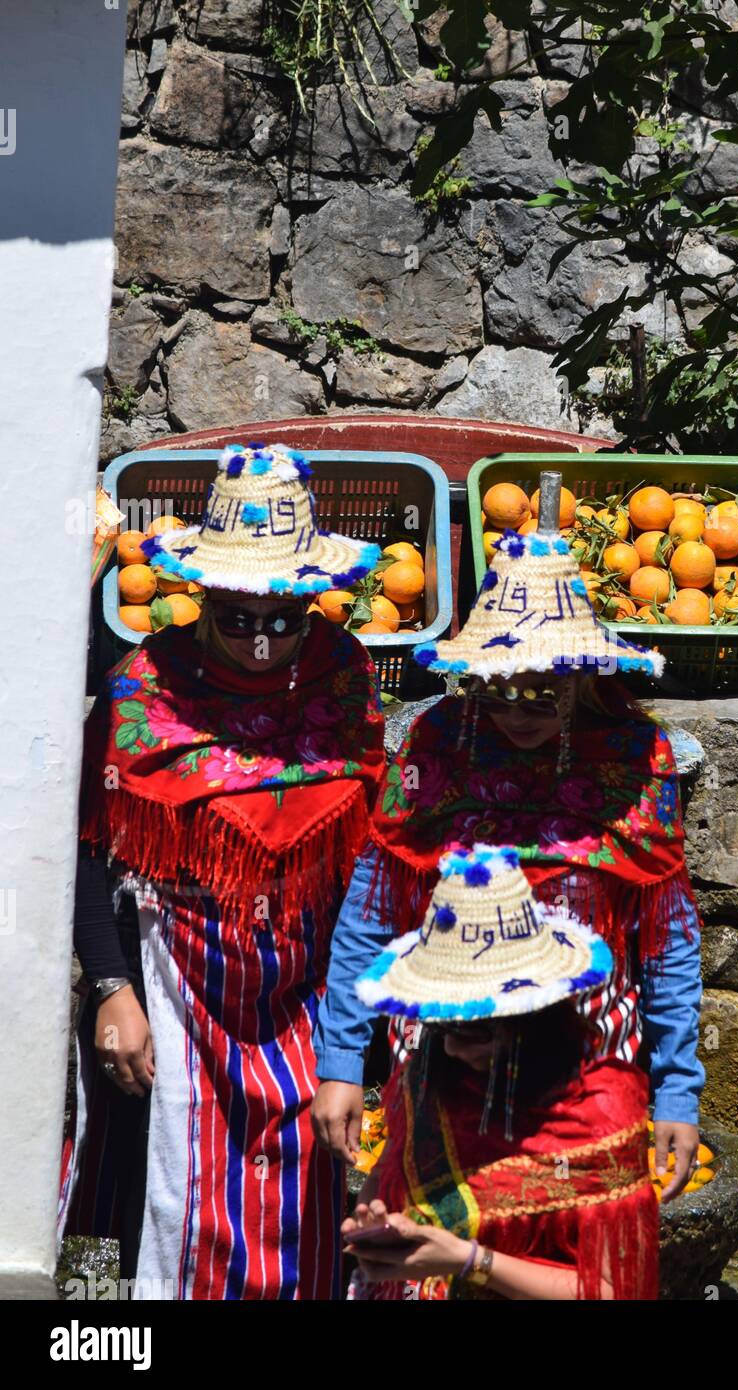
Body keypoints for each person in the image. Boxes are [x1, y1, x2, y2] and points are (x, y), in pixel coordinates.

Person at [60, 442, 386, 1299]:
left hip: (307, 987)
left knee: (302, 1197)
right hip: (169, 981)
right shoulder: (144, 687)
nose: (262, 642)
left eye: (285, 618)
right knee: (122, 1189)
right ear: (202, 598)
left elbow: (369, 864)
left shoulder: (345, 678)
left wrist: (356, 1033)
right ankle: (97, 1340)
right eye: (237, 618)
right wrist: (110, 990)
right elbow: (92, 850)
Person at [314, 527, 705, 1204]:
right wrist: (342, 1062)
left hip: (587, 1067)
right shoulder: (440, 743)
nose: (516, 713)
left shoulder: (636, 758)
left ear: (583, 674)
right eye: (496, 691)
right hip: (444, 1061)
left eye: (541, 692)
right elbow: (370, 912)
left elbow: (668, 943)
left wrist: (677, 1088)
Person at [343, 844, 658, 1300]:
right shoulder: (429, 1076)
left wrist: (470, 1260)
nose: (449, 1046)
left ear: (529, 1021)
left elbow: (611, 1290)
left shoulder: (600, 1114)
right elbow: (394, 1168)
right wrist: (377, 1218)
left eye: (472, 1032)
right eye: (440, 1026)